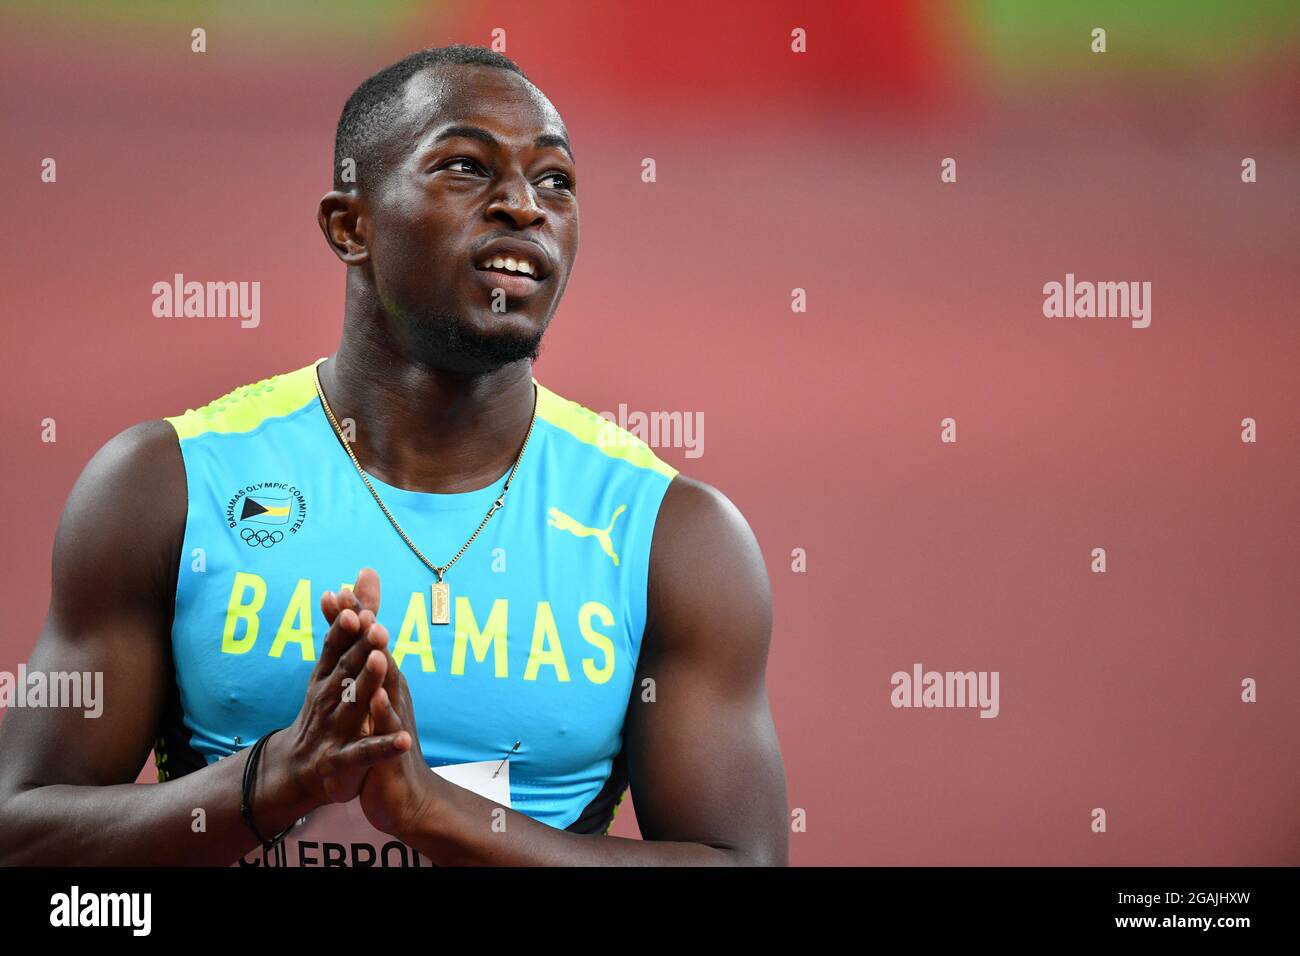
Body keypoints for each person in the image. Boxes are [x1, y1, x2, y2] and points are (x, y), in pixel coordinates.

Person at [0, 44, 787, 866]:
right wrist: (269, 784)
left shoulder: (669, 534)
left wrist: (432, 812)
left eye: (554, 179)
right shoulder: (168, 486)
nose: (524, 204)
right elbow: (20, 837)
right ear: (352, 228)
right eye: (466, 167)